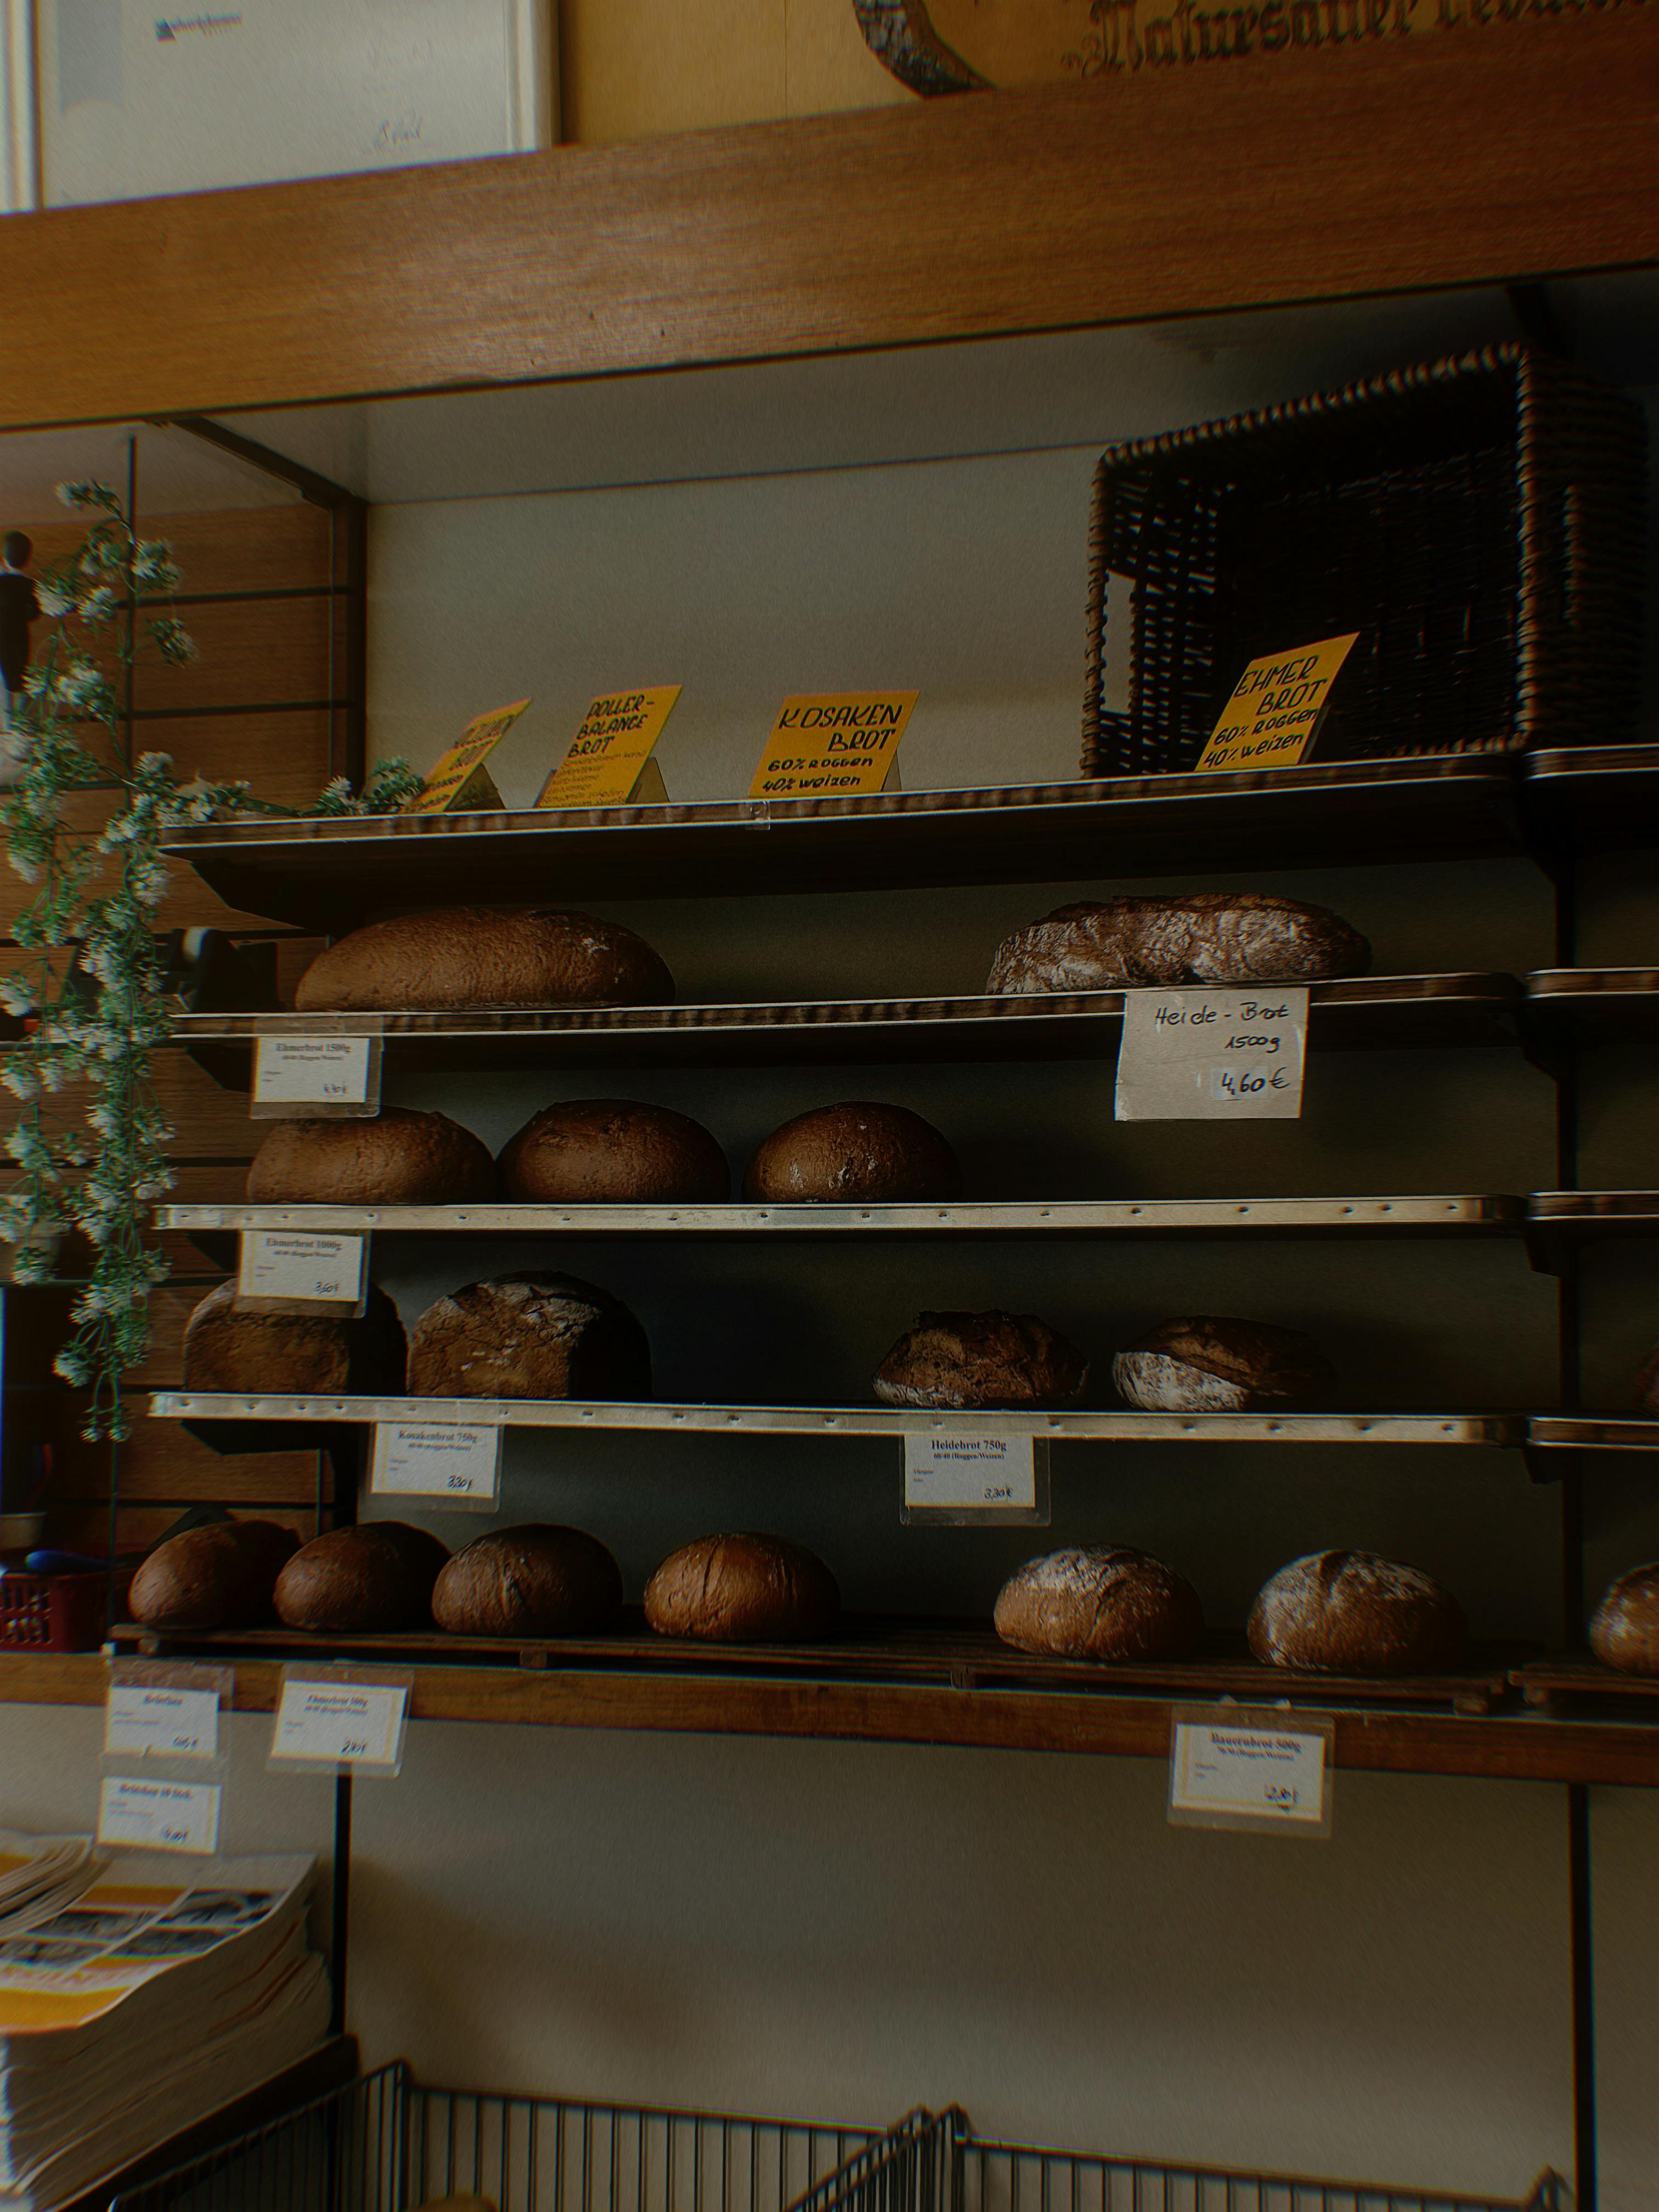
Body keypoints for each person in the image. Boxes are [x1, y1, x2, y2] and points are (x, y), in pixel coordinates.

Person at [0, 532, 42, 740]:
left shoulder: (2, 582)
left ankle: (9, 727)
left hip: (3, 638)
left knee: (5, 679)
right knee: (21, 673)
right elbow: (35, 612)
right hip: (19, 637)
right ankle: (20, 724)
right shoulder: (29, 585)